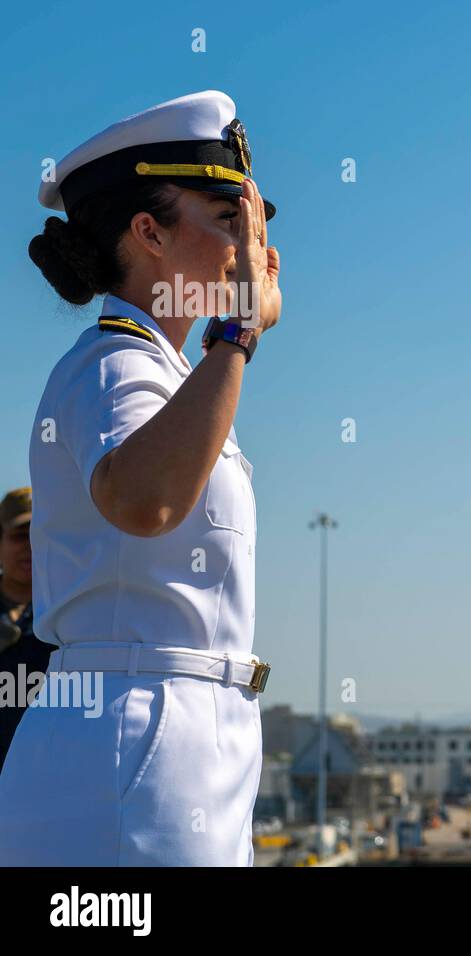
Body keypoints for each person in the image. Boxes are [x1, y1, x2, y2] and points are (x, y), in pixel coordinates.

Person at [0, 91, 281, 865]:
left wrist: (227, 346)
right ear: (148, 232)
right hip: (133, 744)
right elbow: (145, 499)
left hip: (180, 742)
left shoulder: (168, 375)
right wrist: (237, 333)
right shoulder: (111, 364)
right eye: (227, 216)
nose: (248, 246)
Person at [0, 487, 51, 772]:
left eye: (40, 534)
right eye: (20, 535)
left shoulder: (71, 618)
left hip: (45, 776)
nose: (31, 545)